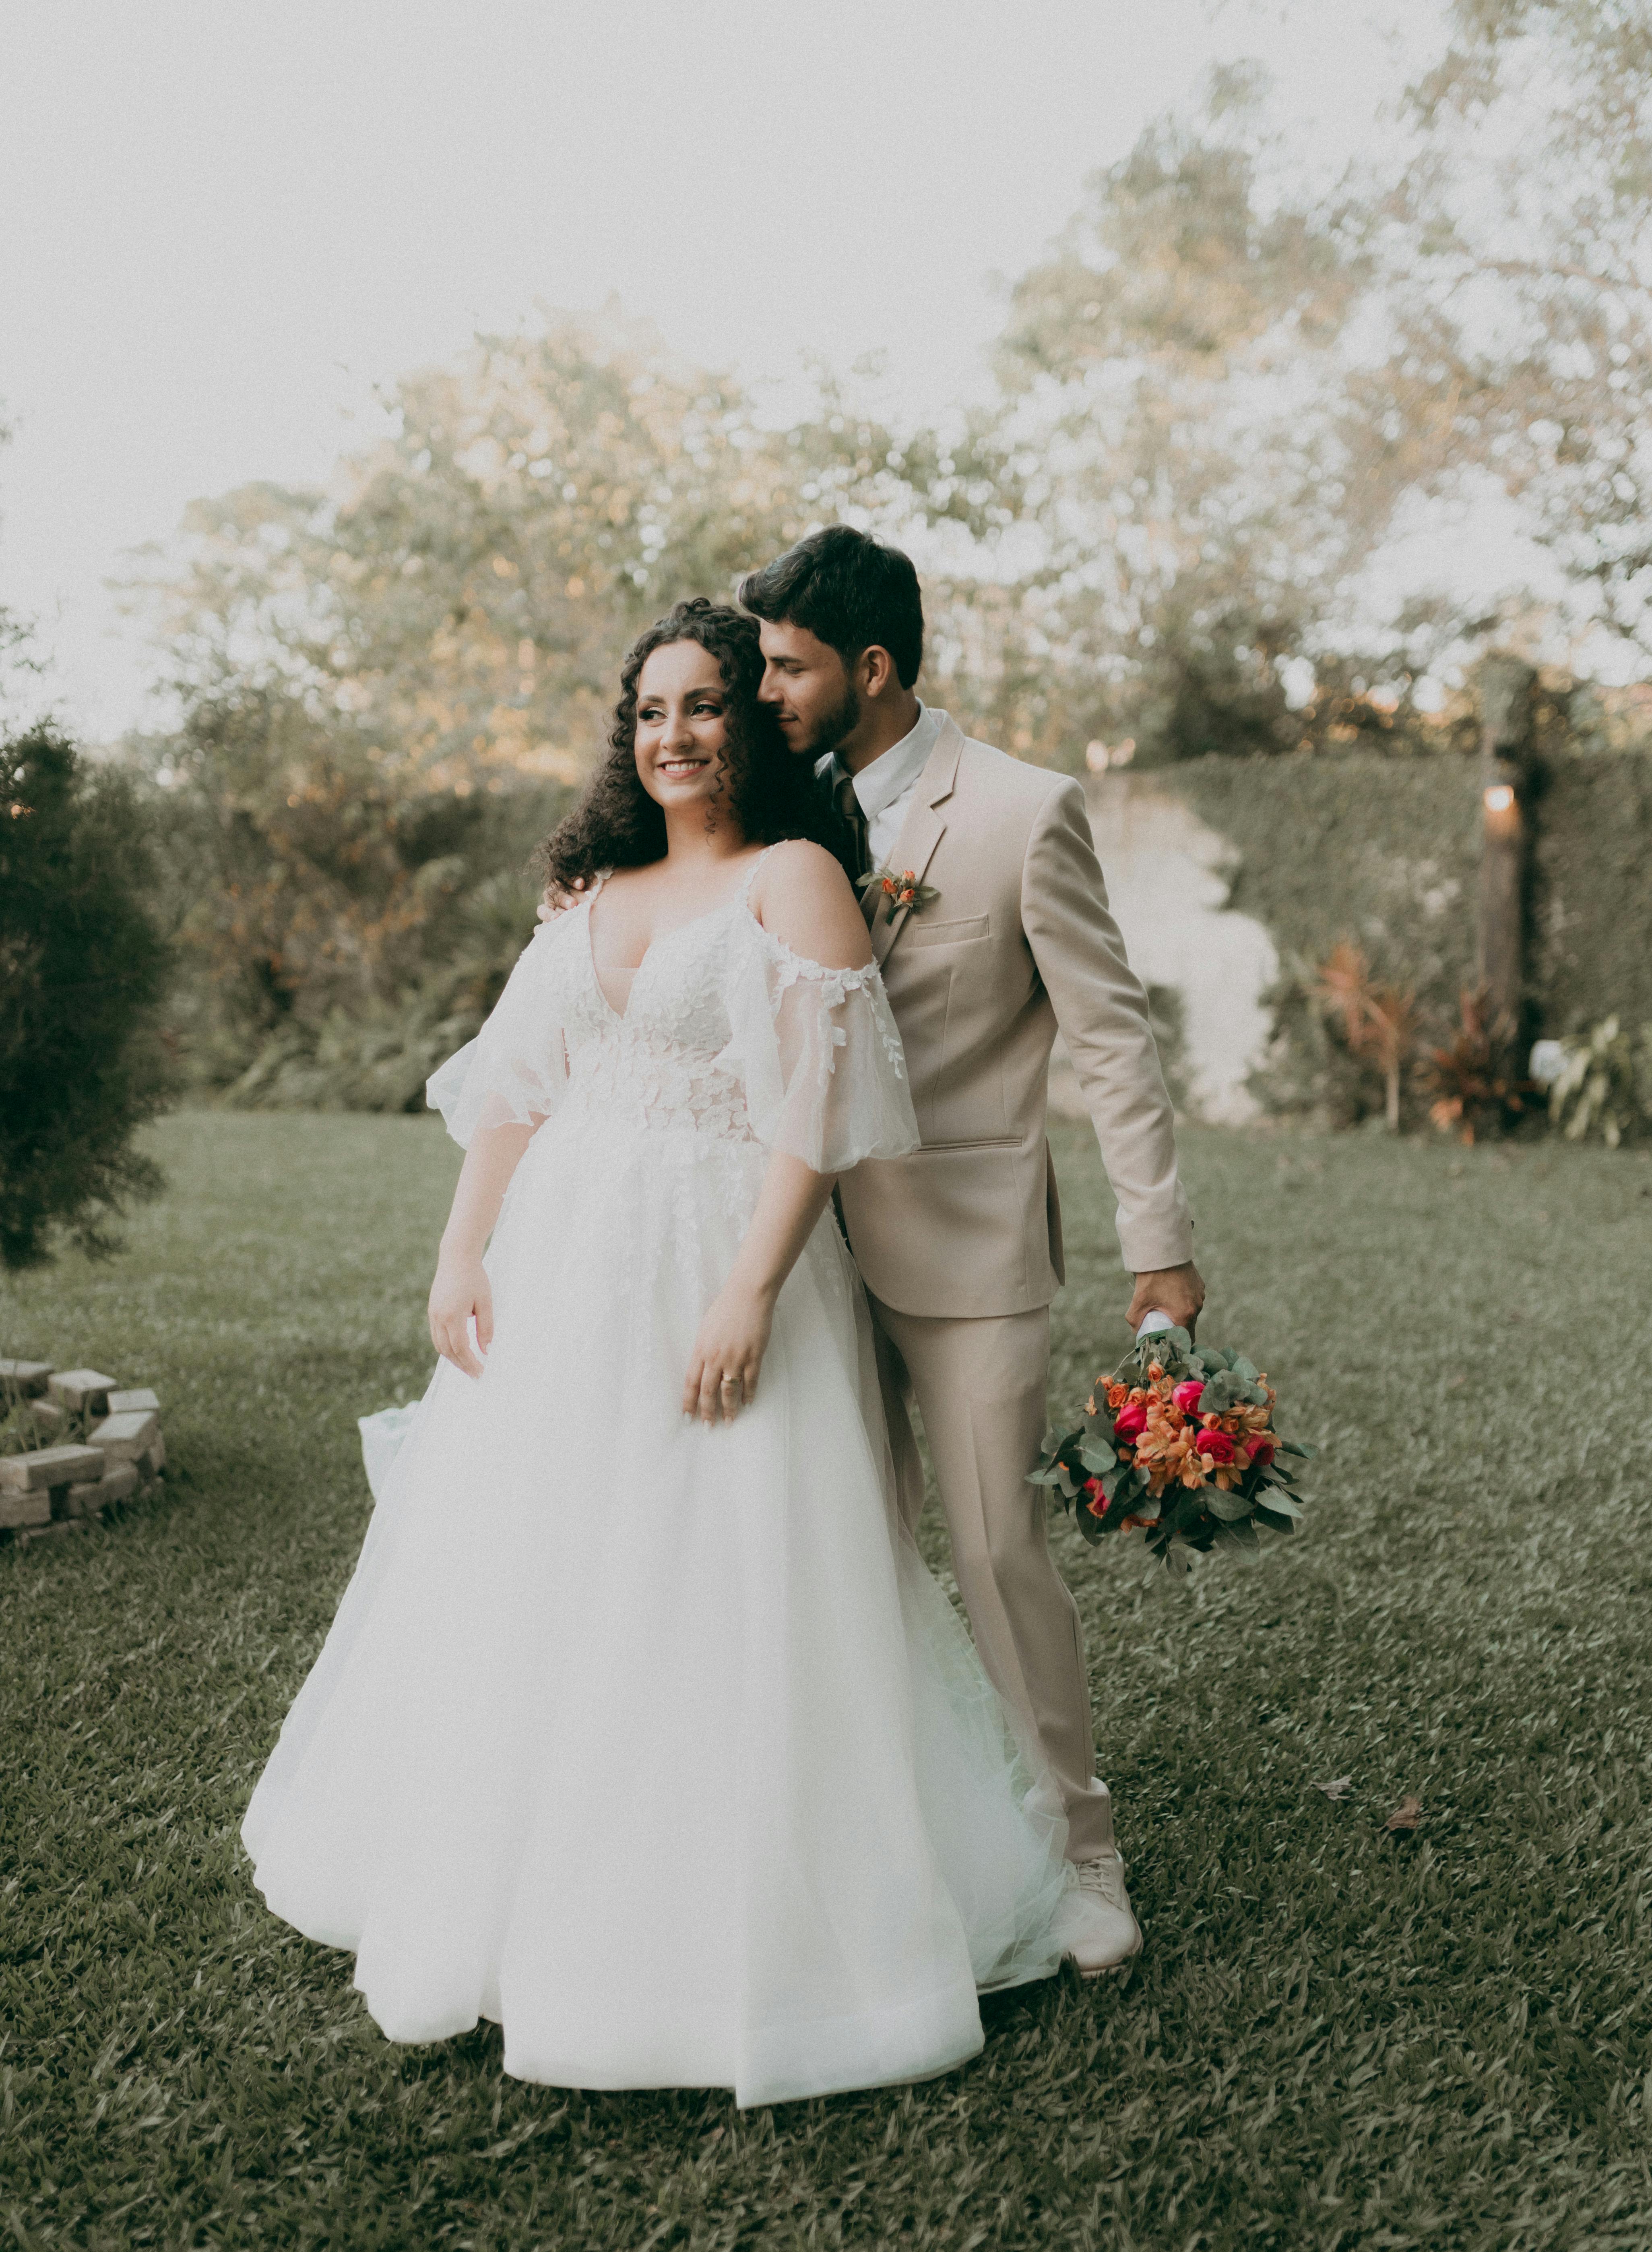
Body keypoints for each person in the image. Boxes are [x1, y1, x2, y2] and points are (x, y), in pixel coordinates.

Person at [242, 598, 1076, 2110]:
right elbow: (516, 1088)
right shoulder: (591, 884)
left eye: (703, 705)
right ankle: (510, 1893)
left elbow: (818, 1118)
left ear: (750, 723)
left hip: (715, 1257)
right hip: (565, 1263)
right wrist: (458, 1250)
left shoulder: (796, 878)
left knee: (717, 1568)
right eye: (648, 711)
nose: (674, 734)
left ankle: (710, 1920)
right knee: (543, 1564)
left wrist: (751, 1290)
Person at [738, 528, 1205, 1977]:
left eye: (789, 667)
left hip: (973, 1248)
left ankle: (1084, 1854)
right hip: (798, 1250)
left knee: (999, 1550)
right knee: (836, 1547)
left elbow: (1114, 1042)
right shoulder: (772, 806)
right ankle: (880, 1849)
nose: (763, 693)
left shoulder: (1021, 811)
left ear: (869, 670)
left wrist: (1162, 1250)